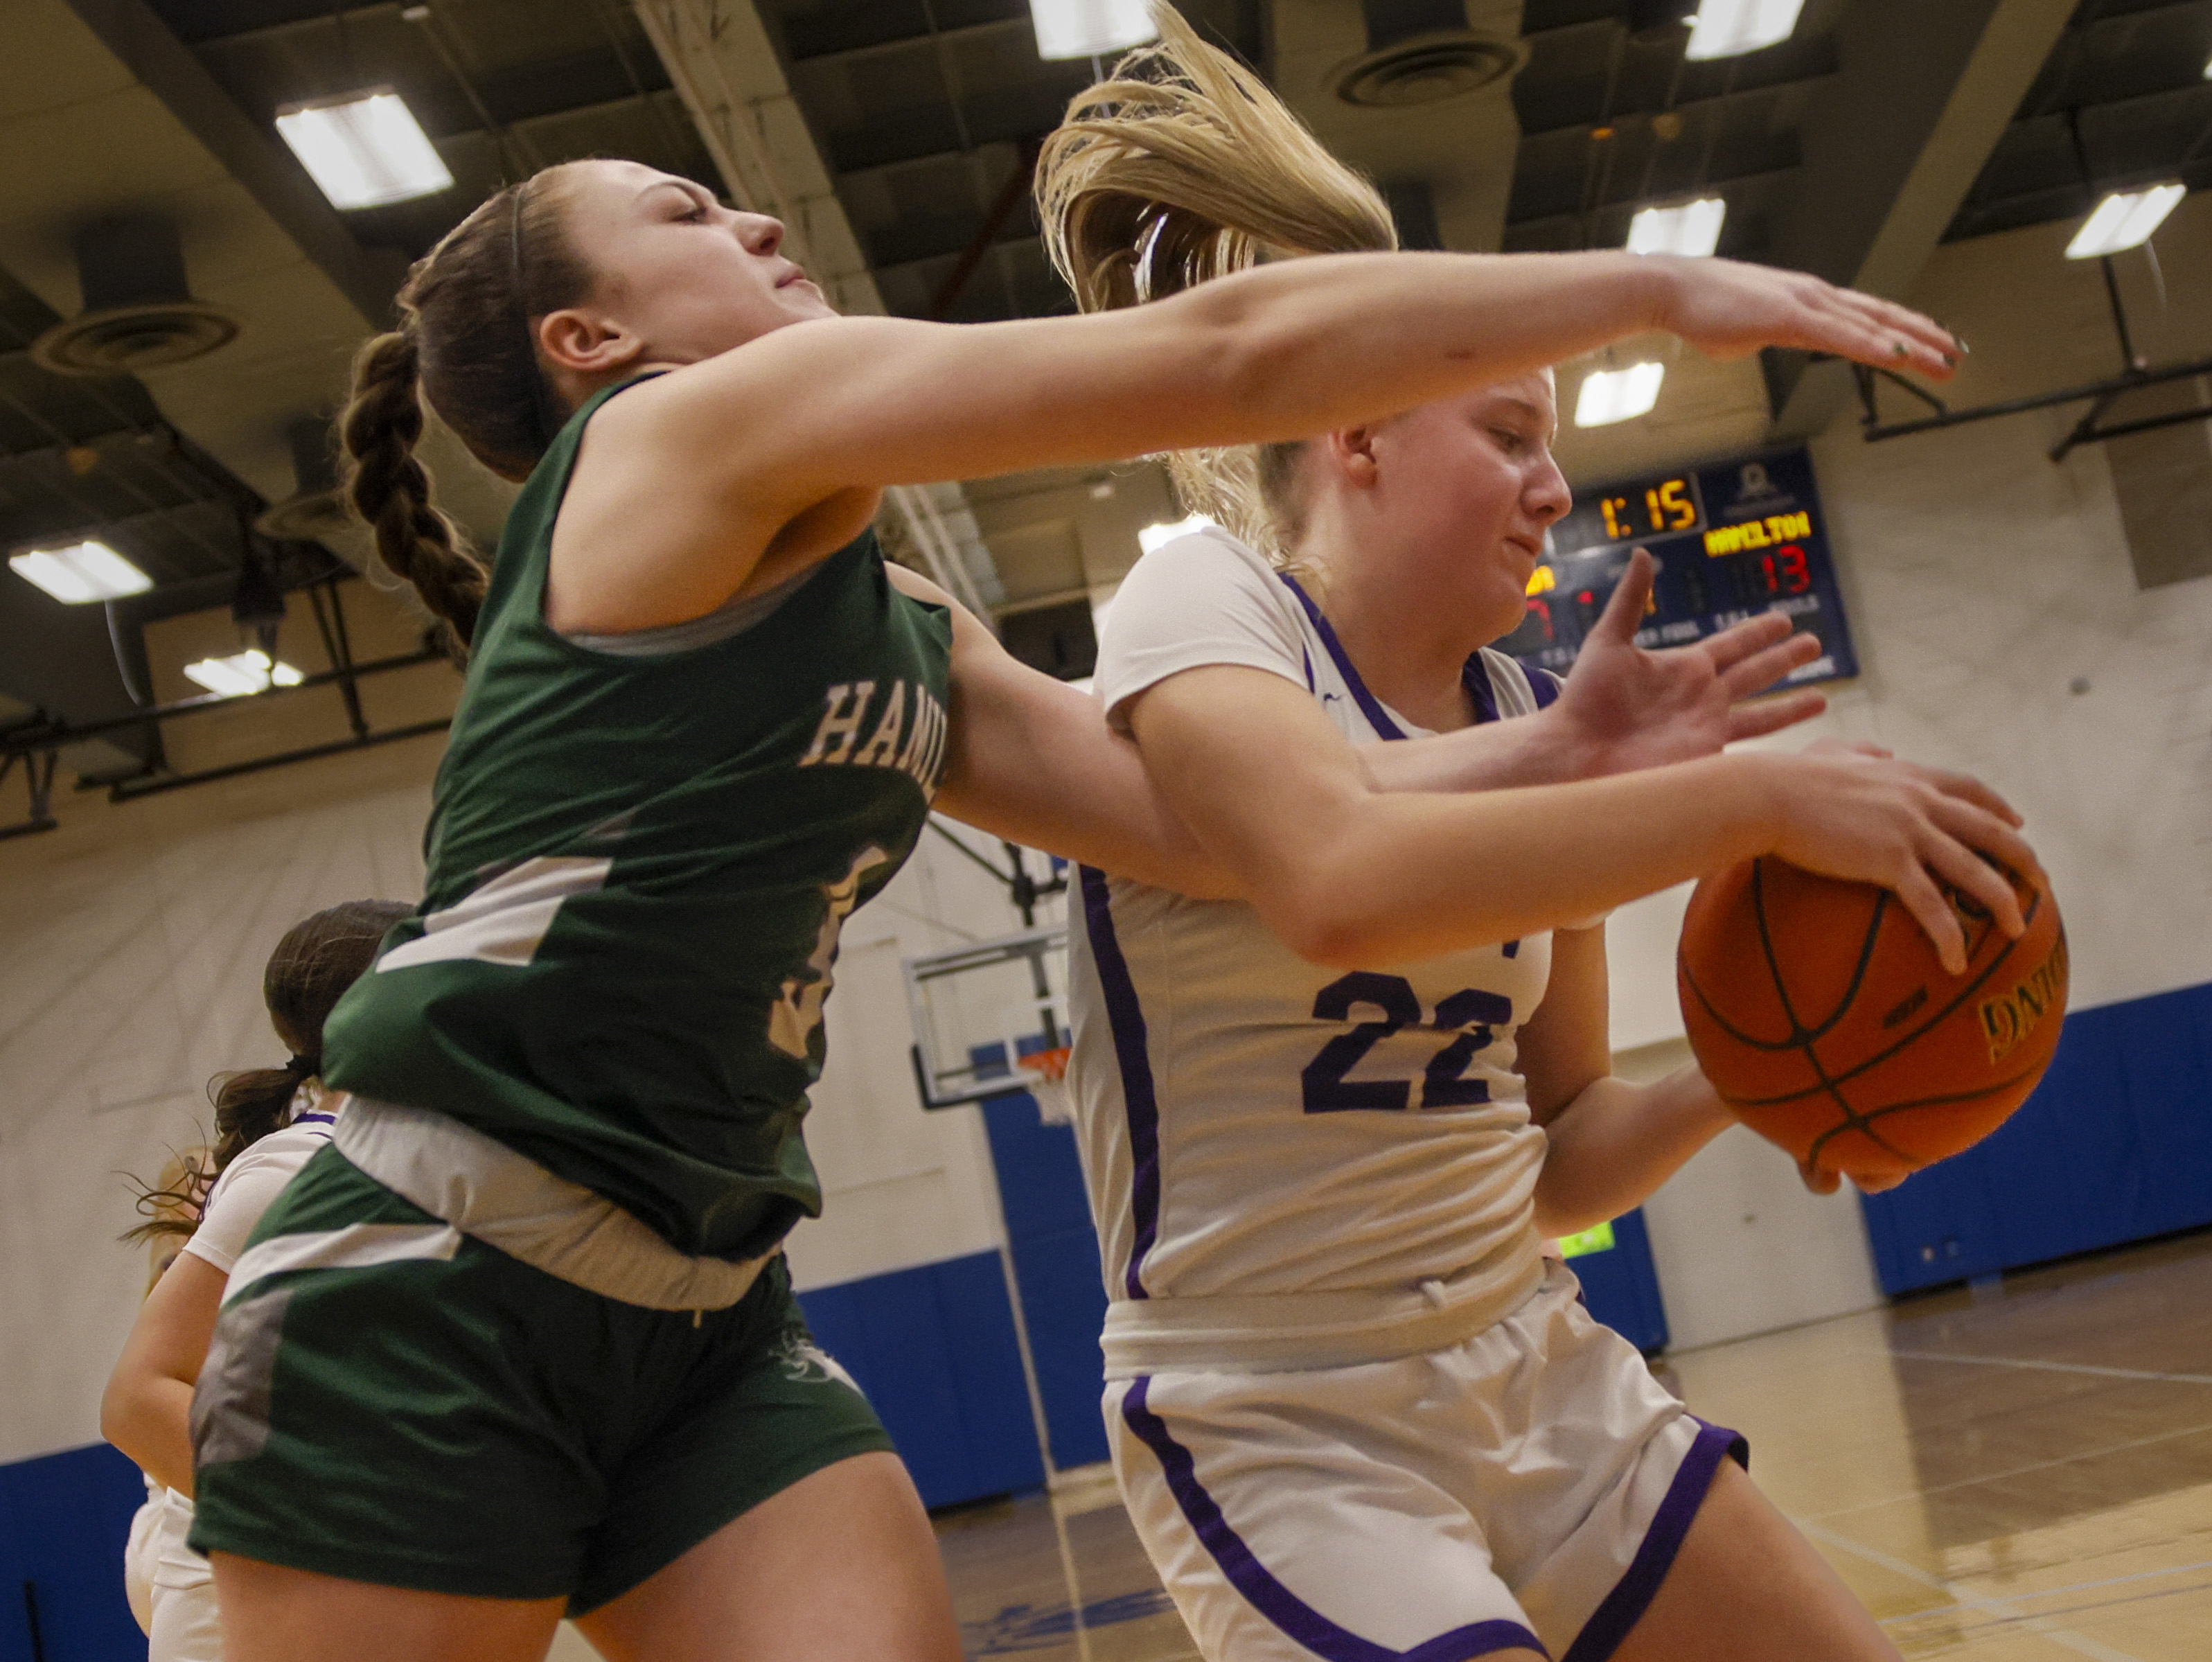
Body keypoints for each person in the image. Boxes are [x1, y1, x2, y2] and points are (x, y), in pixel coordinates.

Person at [186, 33, 2005, 1662]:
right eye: (684, 209)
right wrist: (1643, 286)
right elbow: (1221, 352)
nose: (749, 217)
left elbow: (1218, 839)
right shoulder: (667, 438)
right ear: (594, 340)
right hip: (433, 1270)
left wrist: (1547, 749)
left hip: (702, 1297)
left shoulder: (896, 618)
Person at [1034, 13, 2020, 1662]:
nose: (1555, 486)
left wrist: (1777, 1071)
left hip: (1533, 1353)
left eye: (1550, 445)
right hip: (1281, 1406)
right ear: (1353, 434)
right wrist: (1753, 800)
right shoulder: (1202, 602)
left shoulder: (1541, 700)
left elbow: (1556, 1145)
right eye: (1509, 435)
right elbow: (1338, 880)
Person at [106, 901, 411, 1662]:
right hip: (243, 1595)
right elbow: (136, 1400)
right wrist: (340, 1519)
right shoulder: (296, 1172)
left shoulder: (419, 1161)